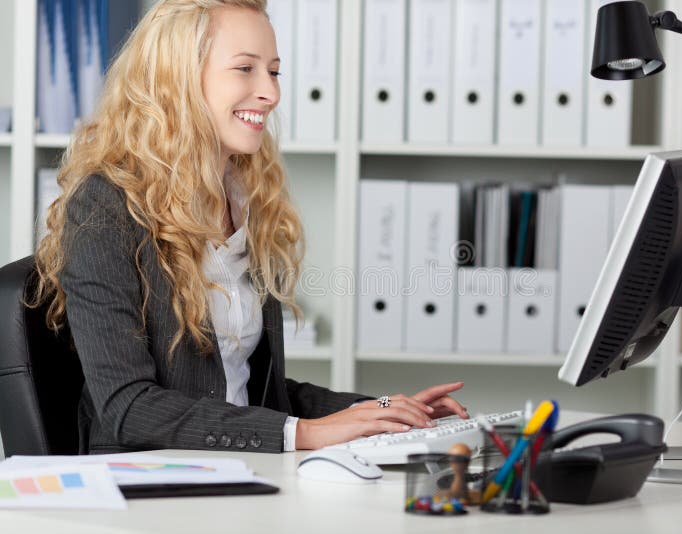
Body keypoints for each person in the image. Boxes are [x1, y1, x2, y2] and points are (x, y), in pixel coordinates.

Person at [30, 0, 467, 455]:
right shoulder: (106, 205)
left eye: (274, 72)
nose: (270, 93)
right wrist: (303, 434)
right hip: (147, 477)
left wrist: (384, 411)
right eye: (245, 69)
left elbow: (253, 391)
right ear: (178, 77)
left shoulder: (244, 199)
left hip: (240, 468)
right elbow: (128, 406)